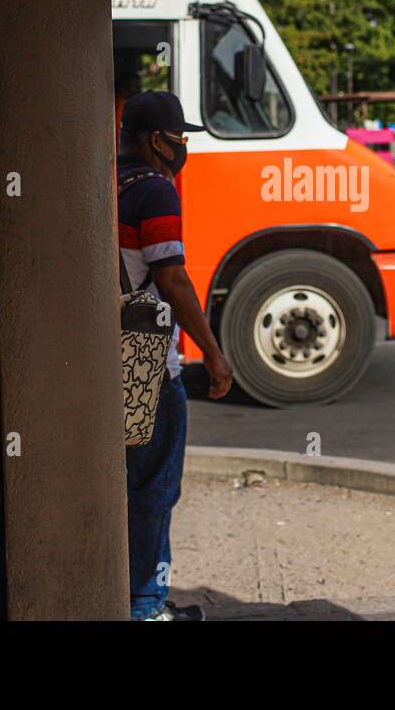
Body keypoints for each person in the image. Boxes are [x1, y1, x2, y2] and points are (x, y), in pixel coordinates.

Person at [118, 90, 232, 621]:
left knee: (125, 486)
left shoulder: (102, 183)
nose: (182, 147)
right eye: (178, 137)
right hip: (145, 368)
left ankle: (123, 595)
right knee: (154, 489)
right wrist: (213, 353)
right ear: (153, 140)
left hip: (100, 361)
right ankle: (145, 606)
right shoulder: (155, 192)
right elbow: (172, 279)